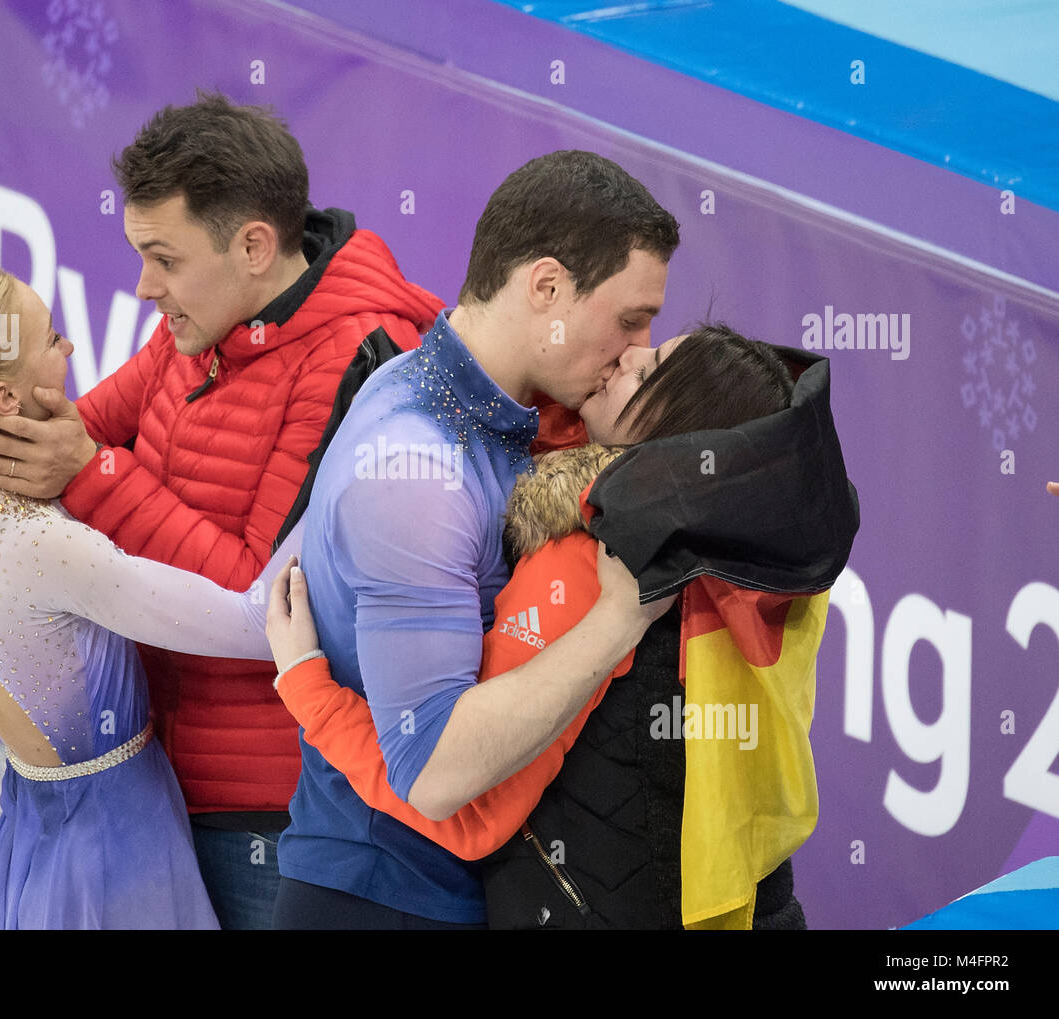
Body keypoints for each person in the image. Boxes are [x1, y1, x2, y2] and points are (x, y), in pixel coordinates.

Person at [0, 92, 442, 928]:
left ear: (253, 246)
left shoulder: (360, 362)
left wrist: (91, 475)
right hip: (160, 776)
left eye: (163, 258)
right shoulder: (201, 320)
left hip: (267, 812)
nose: (145, 285)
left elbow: (259, 600)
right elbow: (78, 434)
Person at [265, 325, 860, 928]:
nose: (625, 353)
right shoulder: (733, 541)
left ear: (677, 435)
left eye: (647, 371)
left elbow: (467, 807)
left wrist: (310, 692)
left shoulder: (597, 559)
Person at [262, 149, 682, 928]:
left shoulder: (471, 403)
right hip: (379, 898)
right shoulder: (418, 476)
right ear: (547, 287)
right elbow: (438, 772)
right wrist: (623, 618)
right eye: (630, 319)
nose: (637, 347)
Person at [0, 263, 281, 929]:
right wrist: (338, 469)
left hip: (32, 831)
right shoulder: (45, 545)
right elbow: (255, 621)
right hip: (117, 846)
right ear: (4, 400)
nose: (69, 348)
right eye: (50, 340)